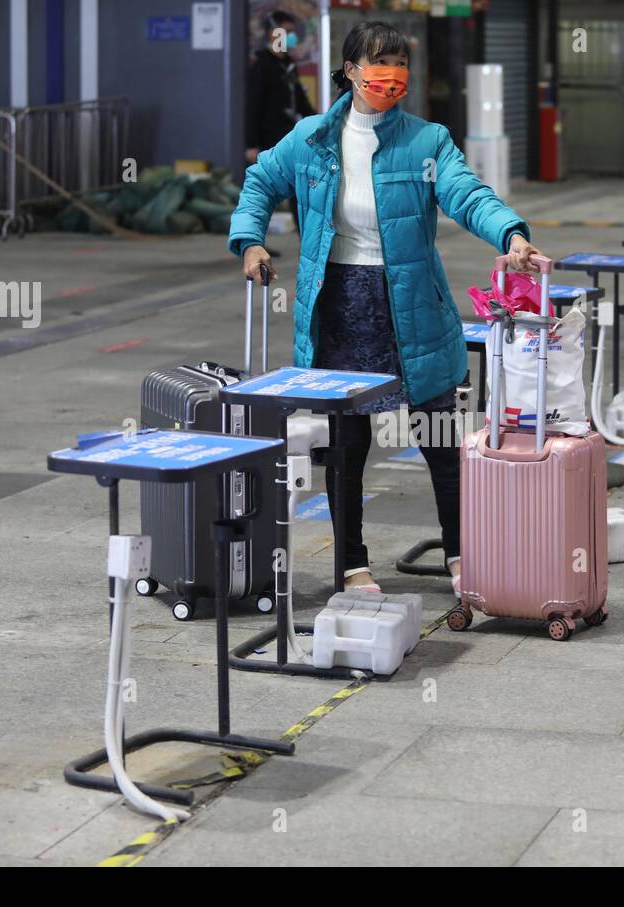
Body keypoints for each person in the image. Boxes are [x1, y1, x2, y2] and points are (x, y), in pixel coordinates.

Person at [229, 21, 545, 595]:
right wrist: (250, 239)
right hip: (339, 306)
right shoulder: (310, 140)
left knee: (442, 438)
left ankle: (460, 555)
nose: (391, 74)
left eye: (400, 63)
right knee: (348, 446)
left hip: (412, 306)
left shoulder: (428, 141)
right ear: (349, 70)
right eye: (378, 63)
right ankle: (351, 564)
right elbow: (258, 181)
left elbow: (467, 194)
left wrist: (511, 237)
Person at [245, 9, 315, 251]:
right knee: (264, 195)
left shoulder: (288, 65)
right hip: (268, 142)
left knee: (300, 190)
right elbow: (253, 107)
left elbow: (302, 103)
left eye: (292, 32)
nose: (290, 36)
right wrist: (251, 144)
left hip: (290, 138)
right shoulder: (262, 67)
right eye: (285, 32)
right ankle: (253, 243)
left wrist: (322, 123)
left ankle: (308, 243)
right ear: (270, 34)